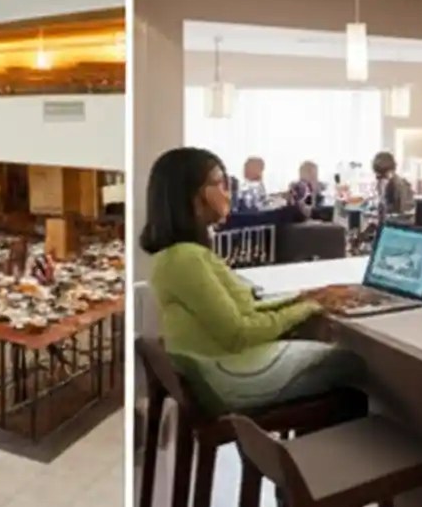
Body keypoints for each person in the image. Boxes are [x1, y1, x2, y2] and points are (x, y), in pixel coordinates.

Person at [141, 147, 366, 420]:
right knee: (352, 363)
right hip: (224, 379)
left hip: (211, 371)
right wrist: (307, 306)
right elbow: (240, 332)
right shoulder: (187, 259)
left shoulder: (177, 256)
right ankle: (295, 459)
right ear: (192, 195)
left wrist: (305, 298)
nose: (228, 193)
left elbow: (242, 310)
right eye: (219, 184)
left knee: (327, 353)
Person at [372, 151, 415, 216]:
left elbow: (404, 211)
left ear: (391, 170)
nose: (381, 180)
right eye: (379, 177)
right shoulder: (380, 183)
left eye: (384, 176)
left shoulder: (402, 186)